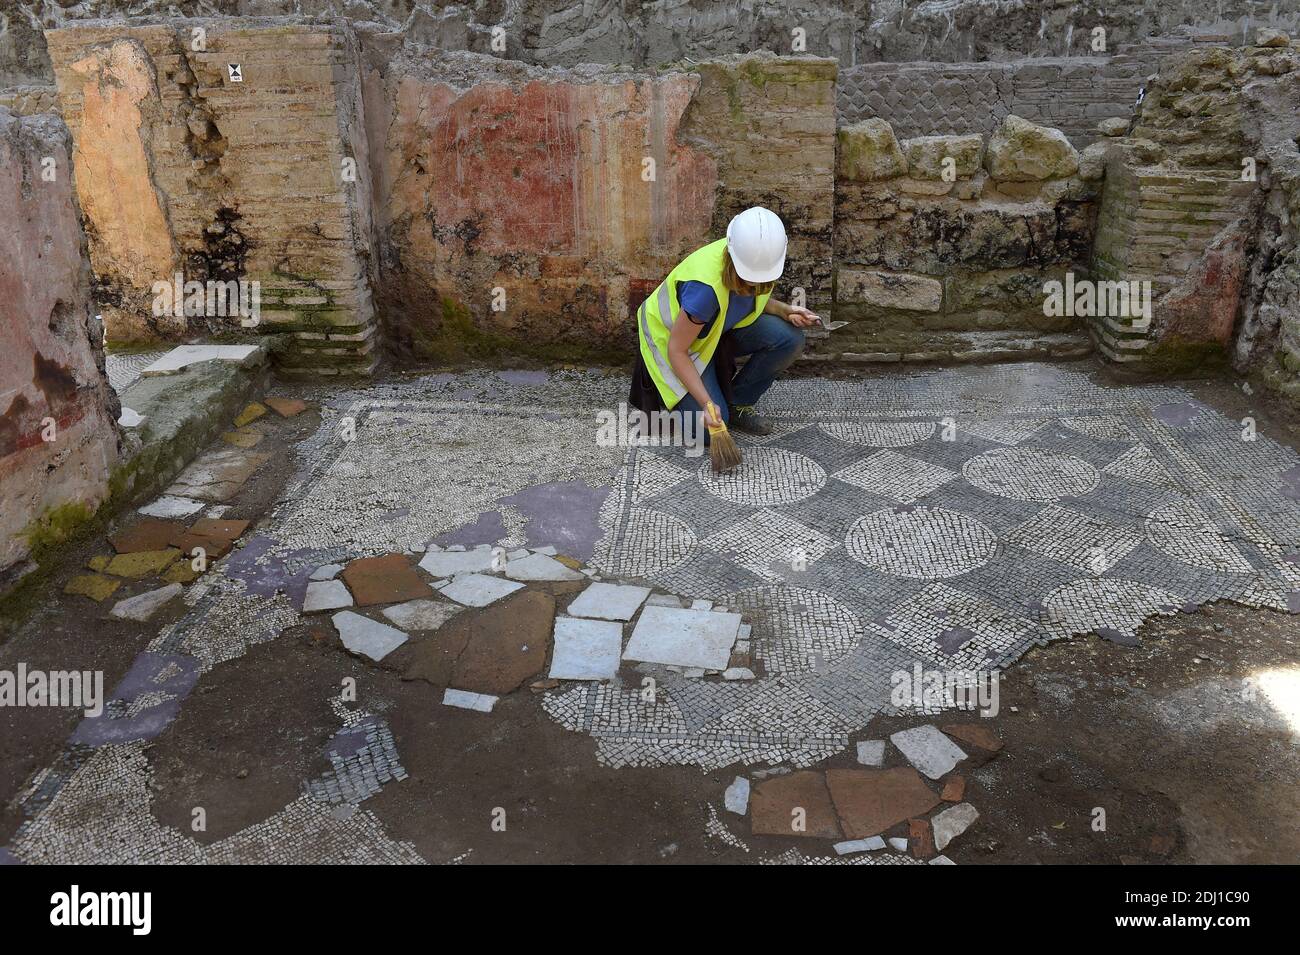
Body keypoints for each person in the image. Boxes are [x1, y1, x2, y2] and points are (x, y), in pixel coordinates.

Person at [629, 207, 820, 440]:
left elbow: (750, 297)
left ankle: (737, 403)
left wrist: (785, 310)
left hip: (712, 331)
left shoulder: (755, 256)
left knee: (789, 339)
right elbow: (676, 350)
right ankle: (670, 395)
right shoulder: (704, 291)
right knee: (709, 431)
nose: (759, 284)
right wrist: (707, 403)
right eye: (753, 279)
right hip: (672, 342)